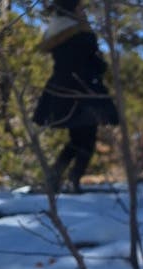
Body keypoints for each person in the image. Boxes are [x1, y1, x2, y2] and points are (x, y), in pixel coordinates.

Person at [33, 0, 119, 193]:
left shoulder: (58, 34)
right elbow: (94, 63)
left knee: (76, 139)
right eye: (80, 7)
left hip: (61, 90)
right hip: (84, 90)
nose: (83, 10)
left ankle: (56, 175)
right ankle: (73, 179)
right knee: (86, 139)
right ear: (73, 9)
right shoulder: (82, 34)